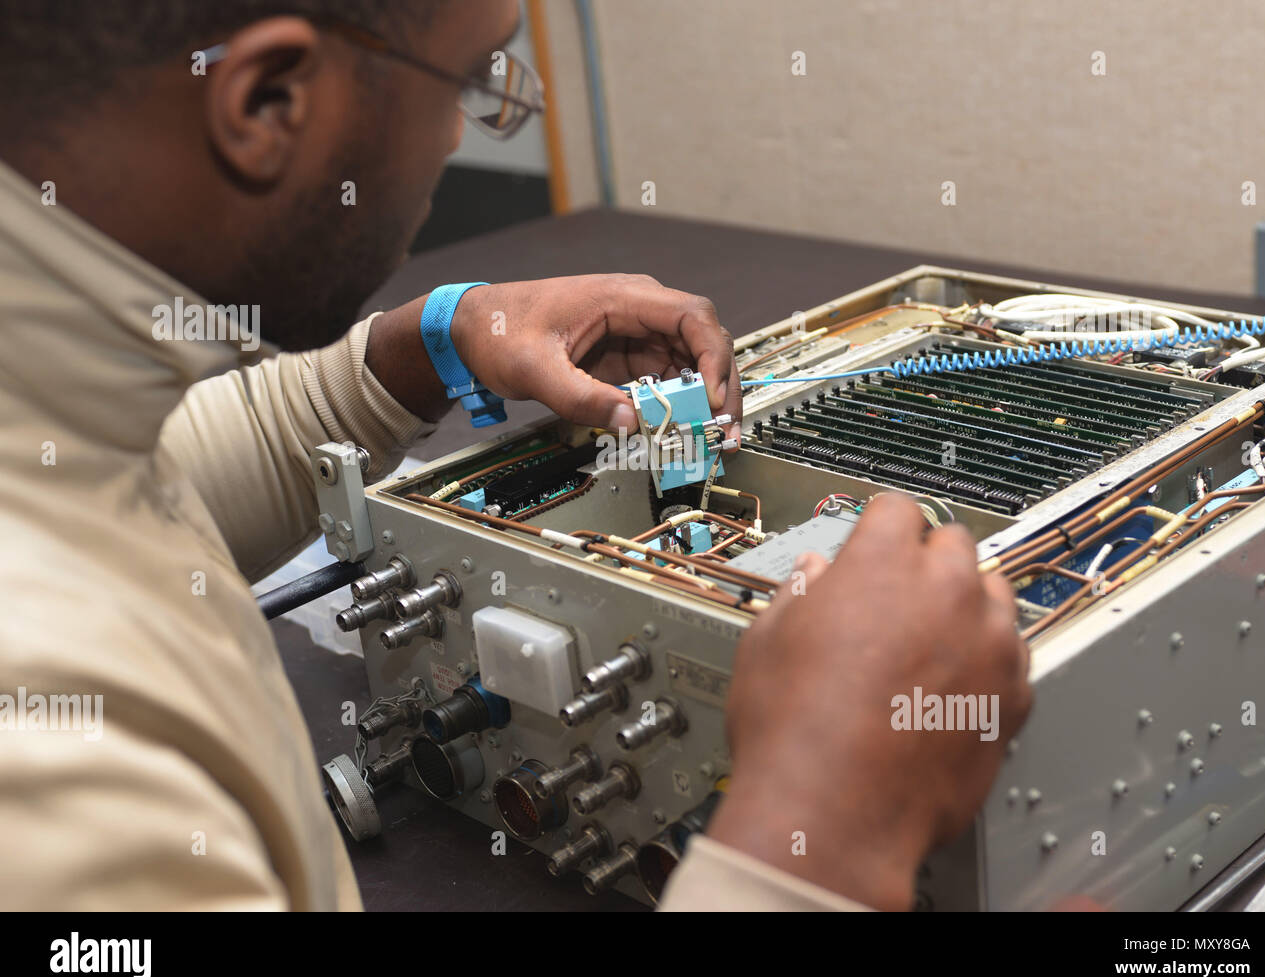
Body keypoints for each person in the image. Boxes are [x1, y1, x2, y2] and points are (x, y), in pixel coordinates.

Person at [0, 0, 1030, 911]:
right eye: (470, 78)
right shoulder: (52, 780)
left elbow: (148, 473)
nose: (462, 132)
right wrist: (811, 850)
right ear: (267, 103)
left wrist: (423, 348)